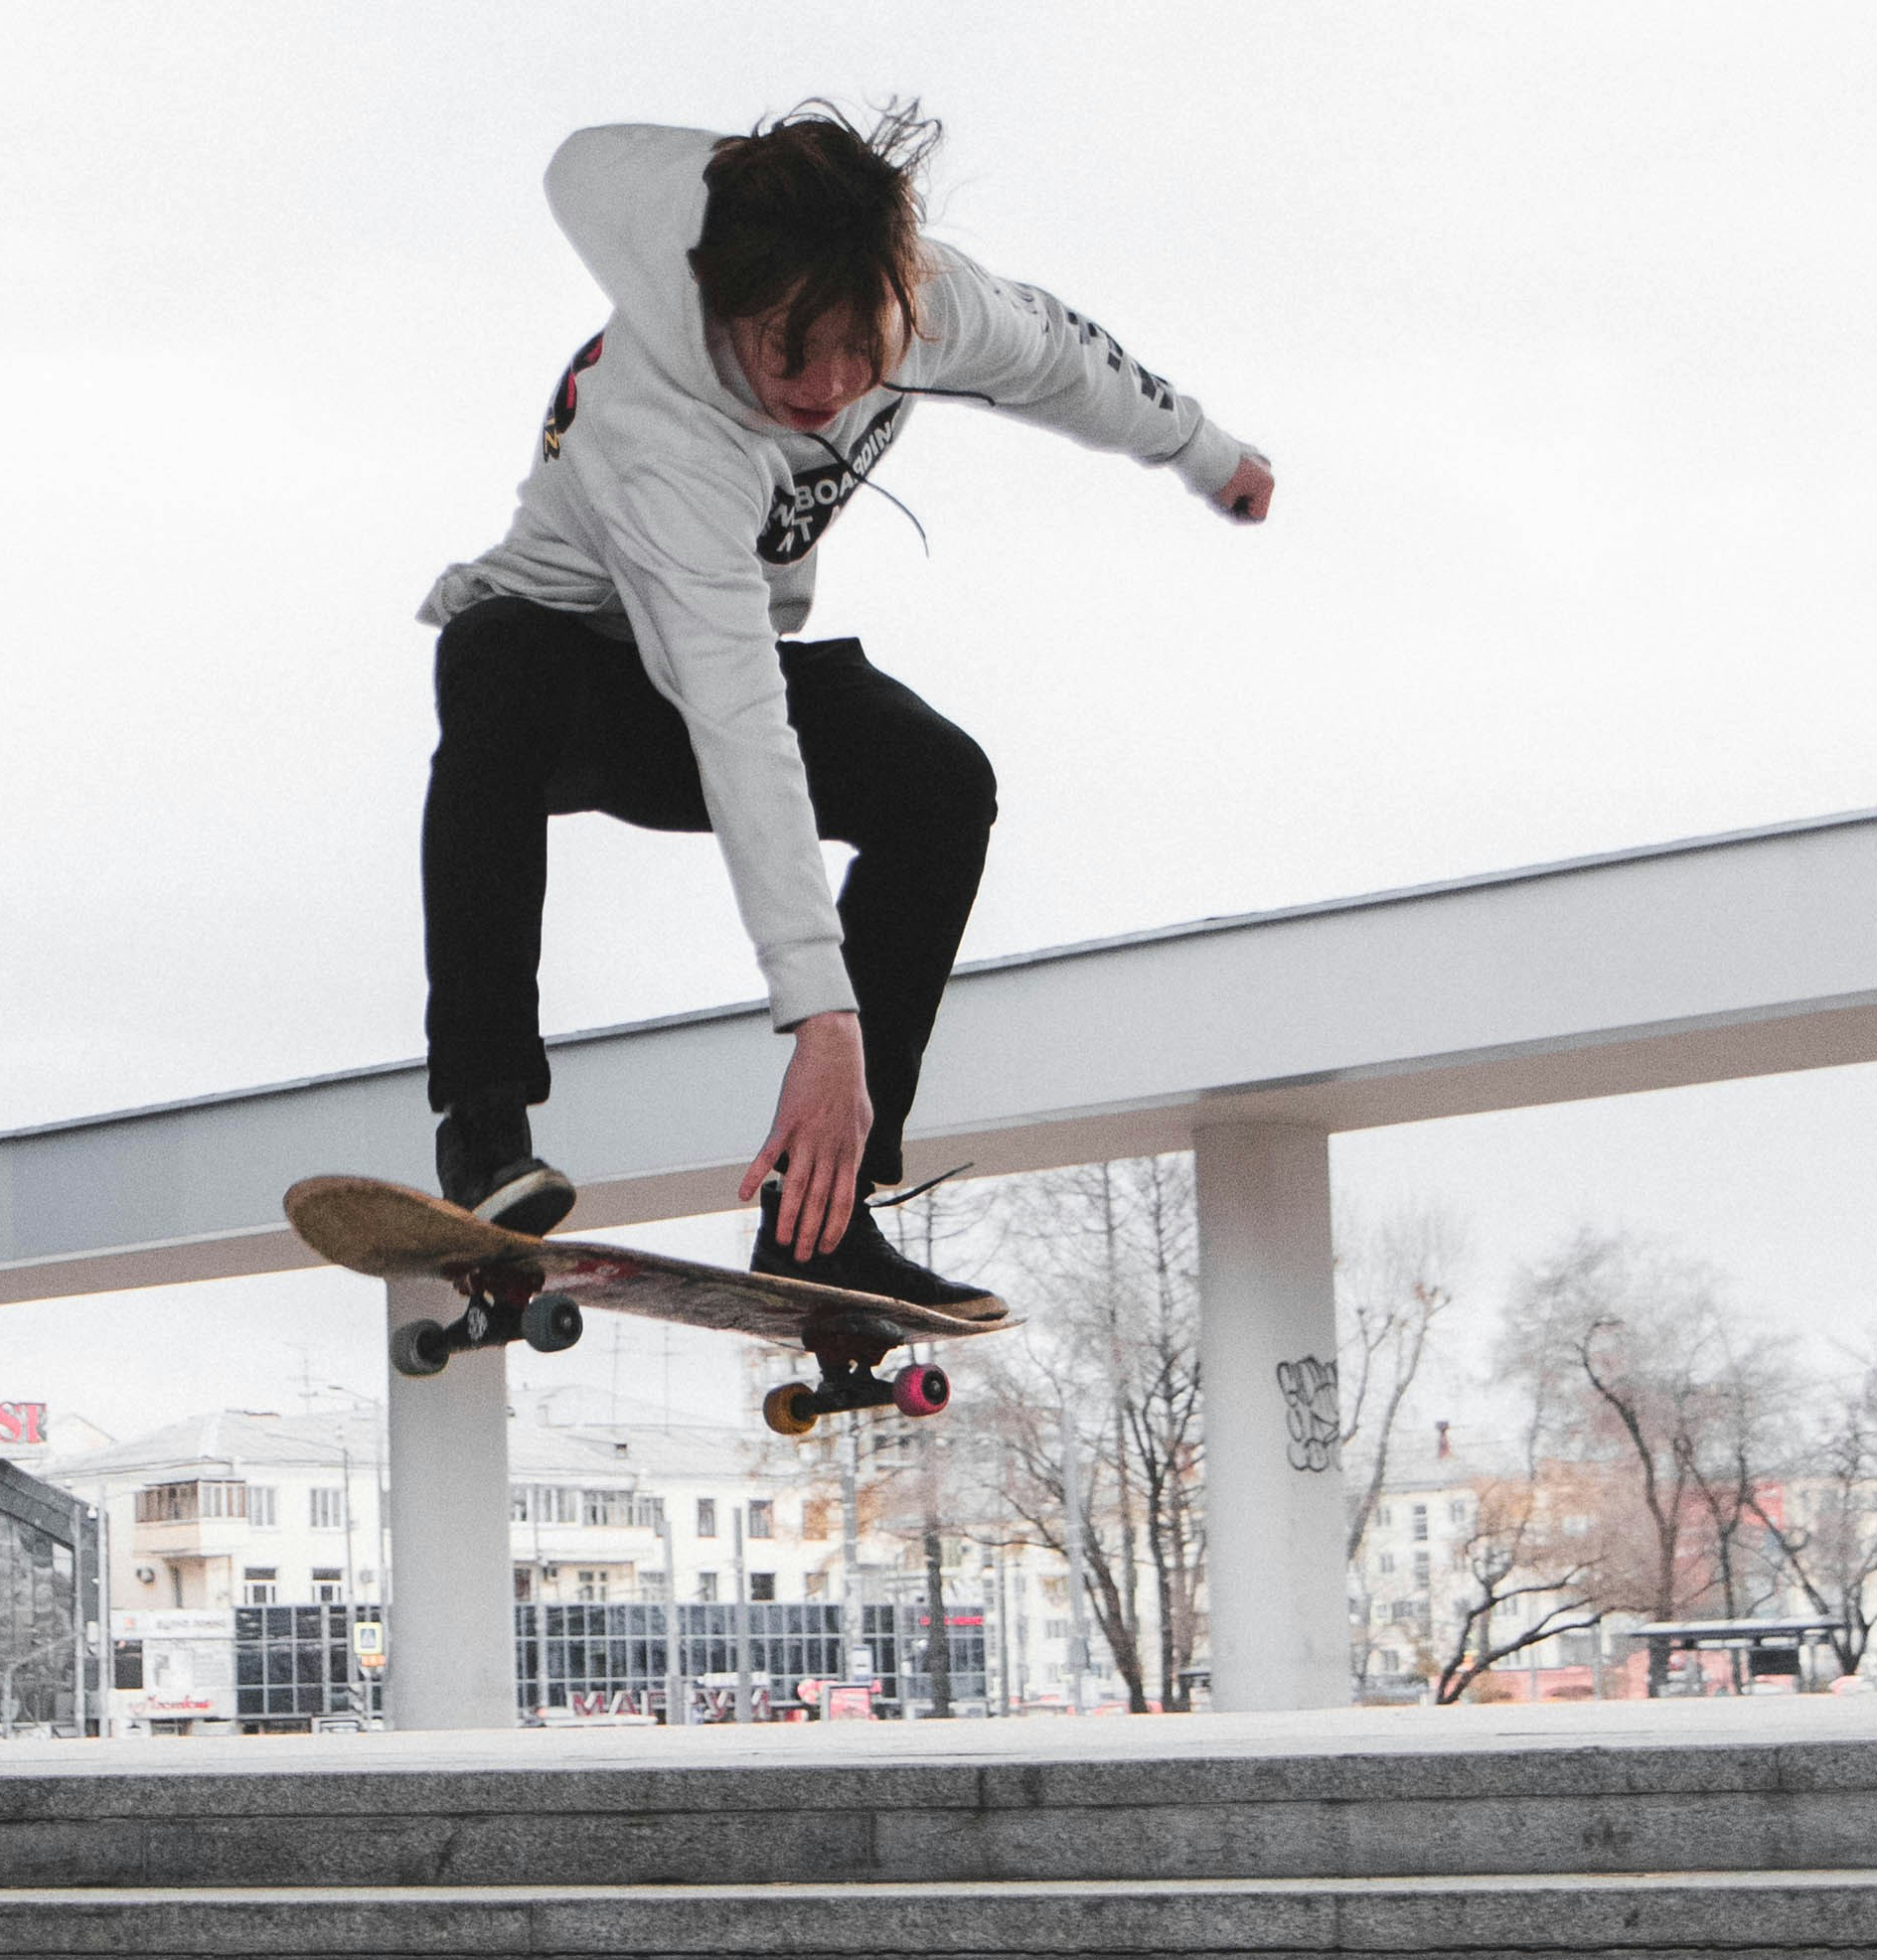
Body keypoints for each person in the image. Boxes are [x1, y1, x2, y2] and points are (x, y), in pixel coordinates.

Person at [416, 104, 1275, 1304]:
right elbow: (738, 725)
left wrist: (1209, 452)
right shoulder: (667, 437)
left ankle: (823, 1215)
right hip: (581, 682)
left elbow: (1071, 362)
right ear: (723, 308)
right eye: (787, 355)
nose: (827, 388)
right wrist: (821, 1020)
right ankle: (484, 1124)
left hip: (730, 664)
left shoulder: (923, 303)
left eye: (858, 353)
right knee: (493, 662)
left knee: (941, 783)